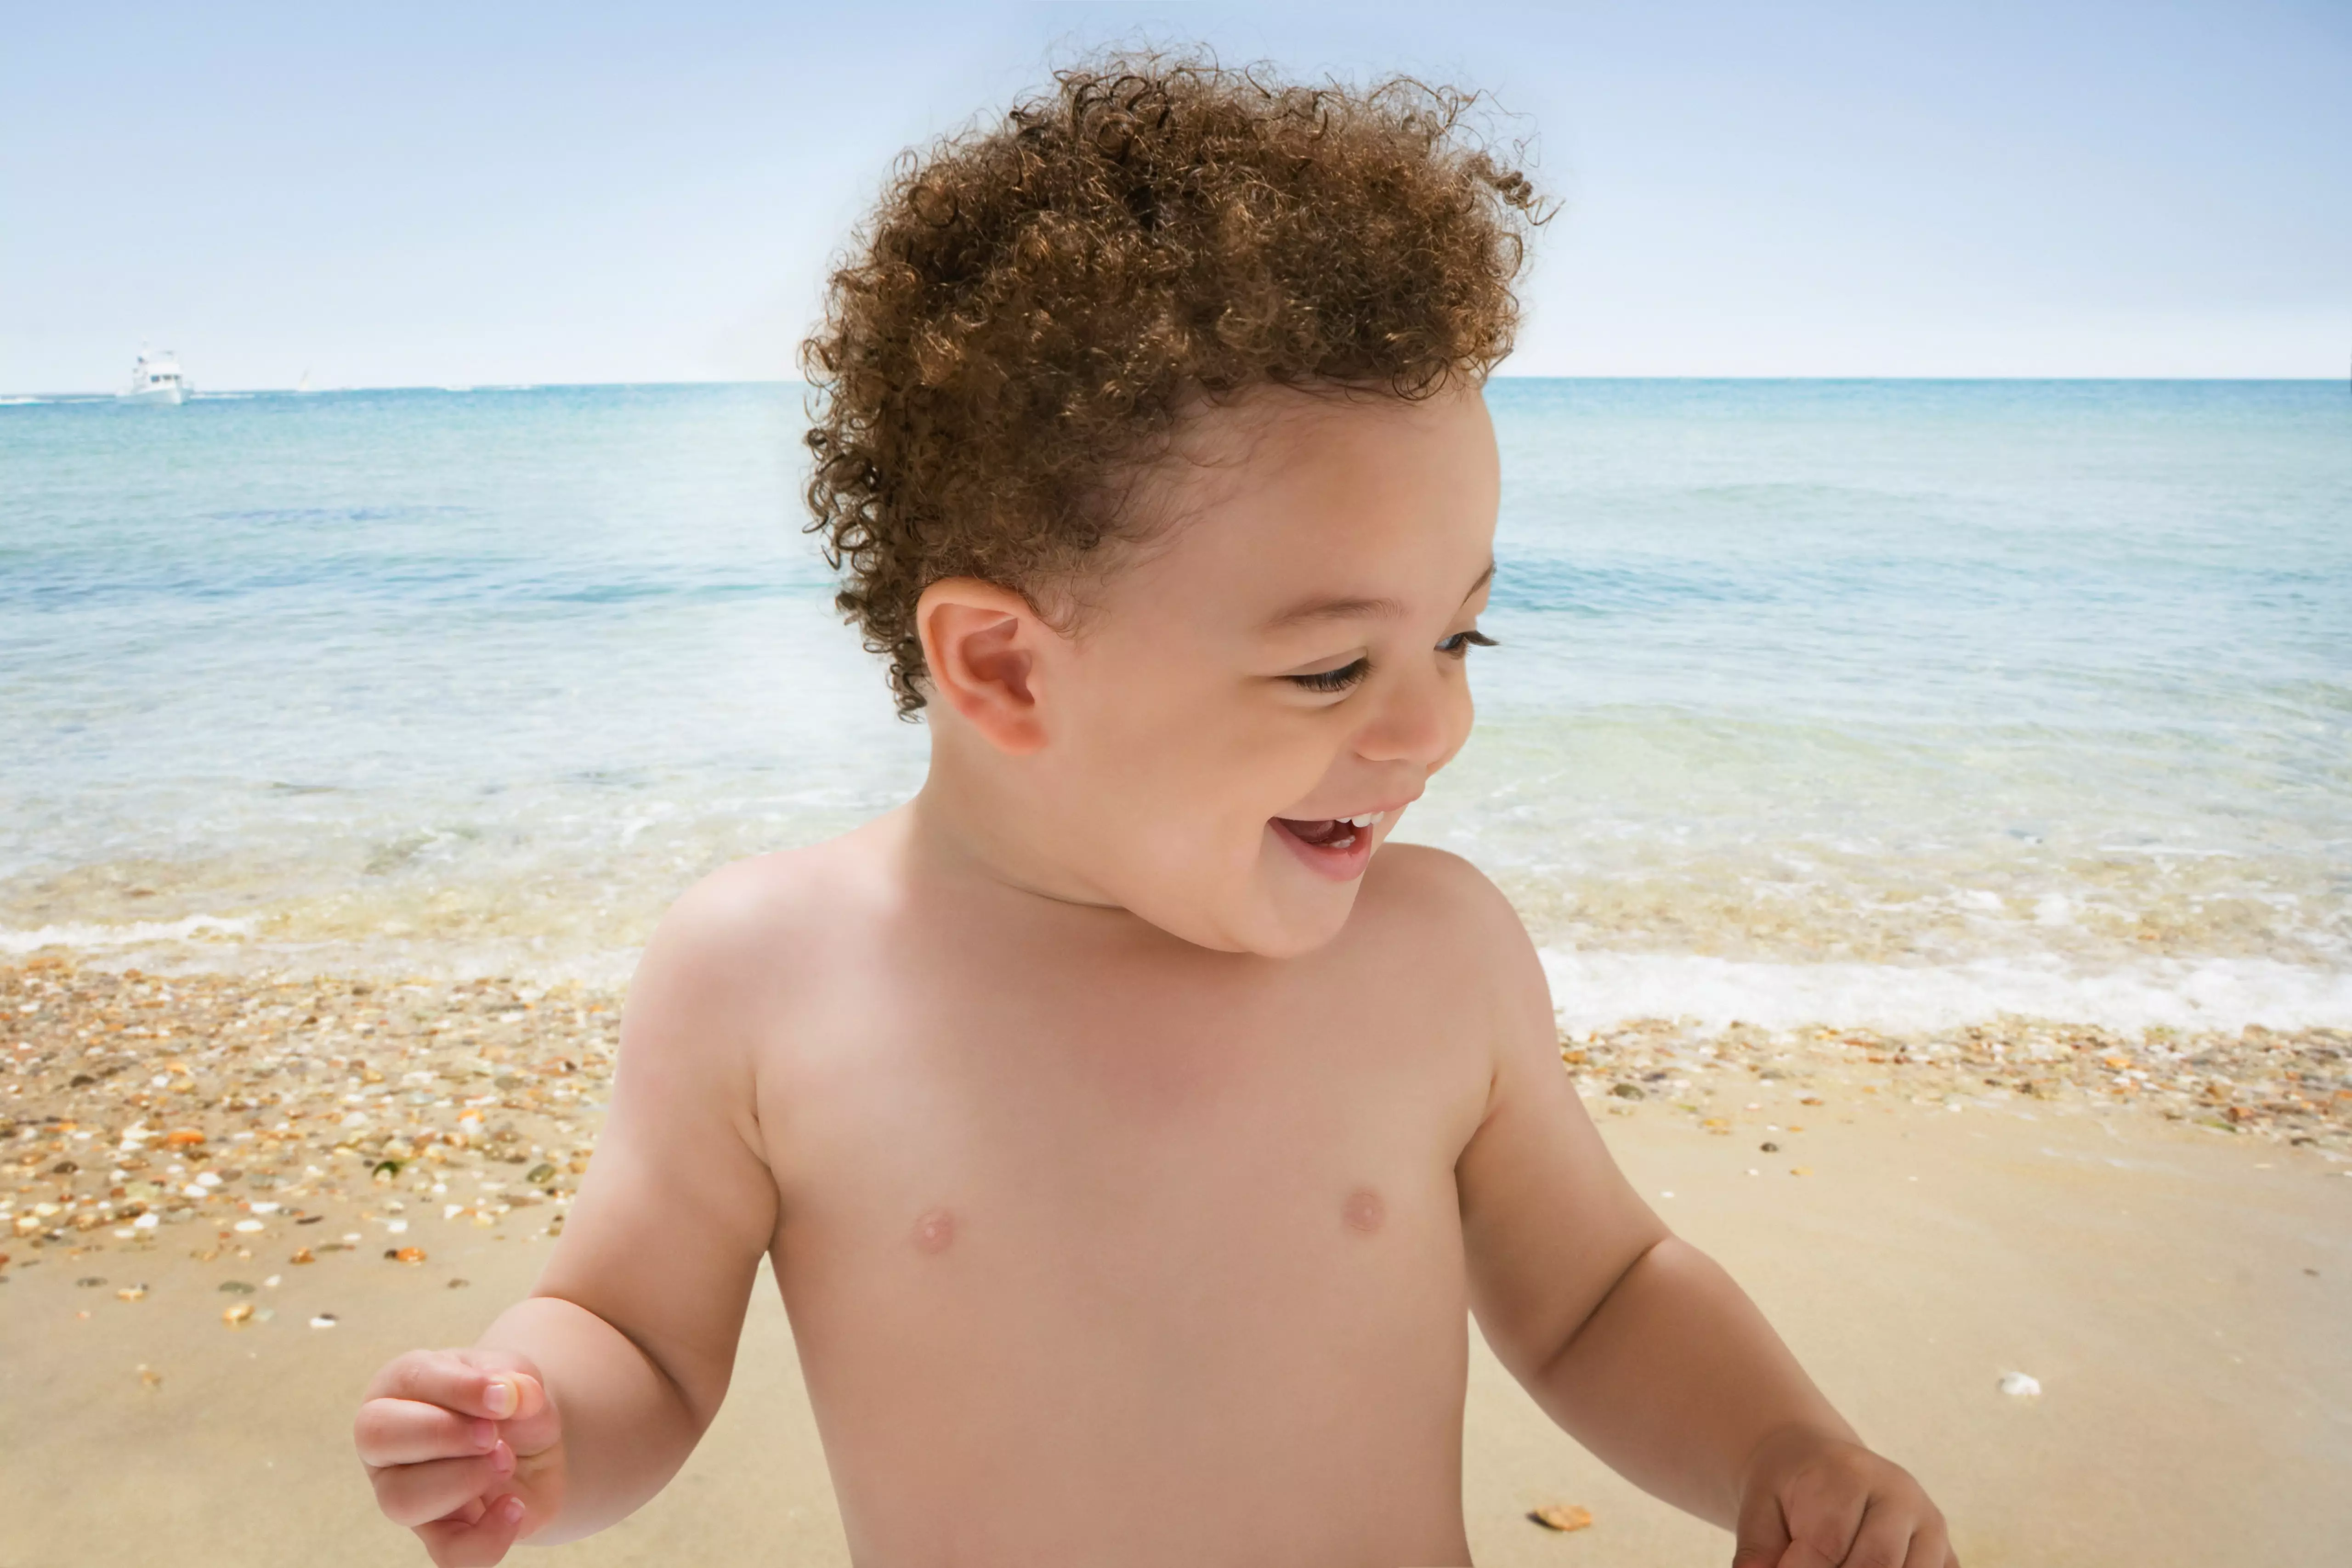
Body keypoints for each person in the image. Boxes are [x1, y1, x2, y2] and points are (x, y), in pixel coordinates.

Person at [353, 55, 1956, 1568]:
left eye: (1457, 636)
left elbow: (1599, 1292)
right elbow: (639, 1336)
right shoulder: (767, 977)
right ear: (1005, 667)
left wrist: (1778, 1444)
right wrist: (534, 1418)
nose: (1433, 724)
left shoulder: (1434, 956)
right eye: (1334, 666)